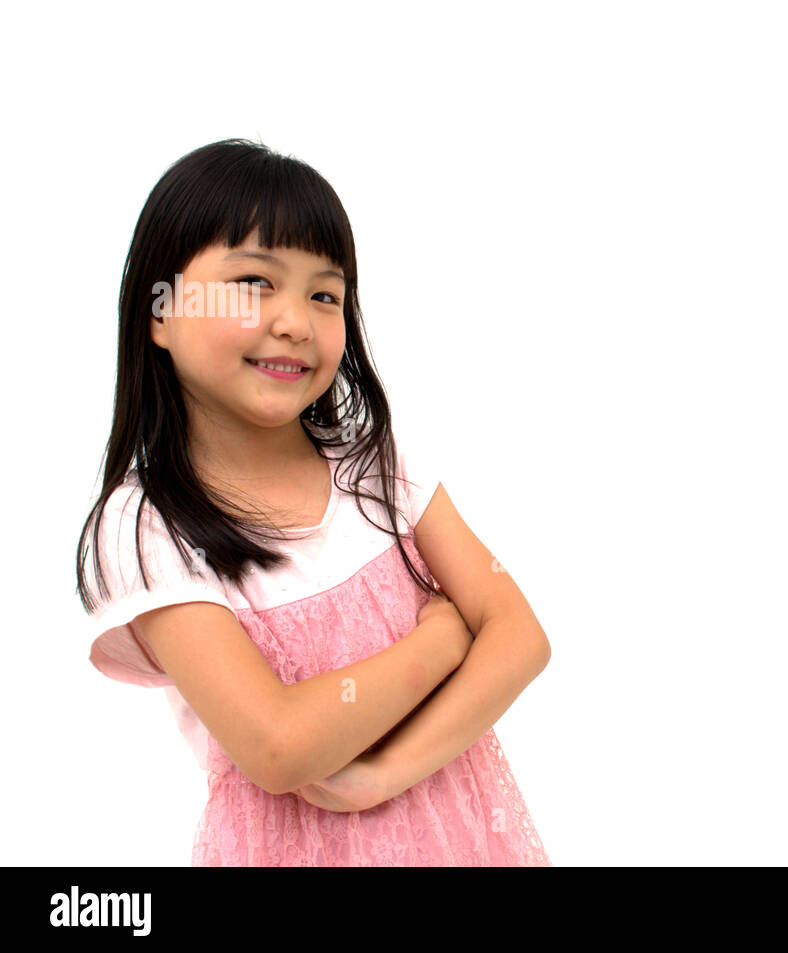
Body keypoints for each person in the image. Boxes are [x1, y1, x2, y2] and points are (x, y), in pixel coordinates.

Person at [74, 138, 552, 866]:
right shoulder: (148, 526)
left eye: (324, 294)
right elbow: (278, 743)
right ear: (160, 313)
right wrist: (442, 642)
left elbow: (520, 636)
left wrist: (381, 775)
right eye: (254, 284)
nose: (296, 321)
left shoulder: (376, 468)